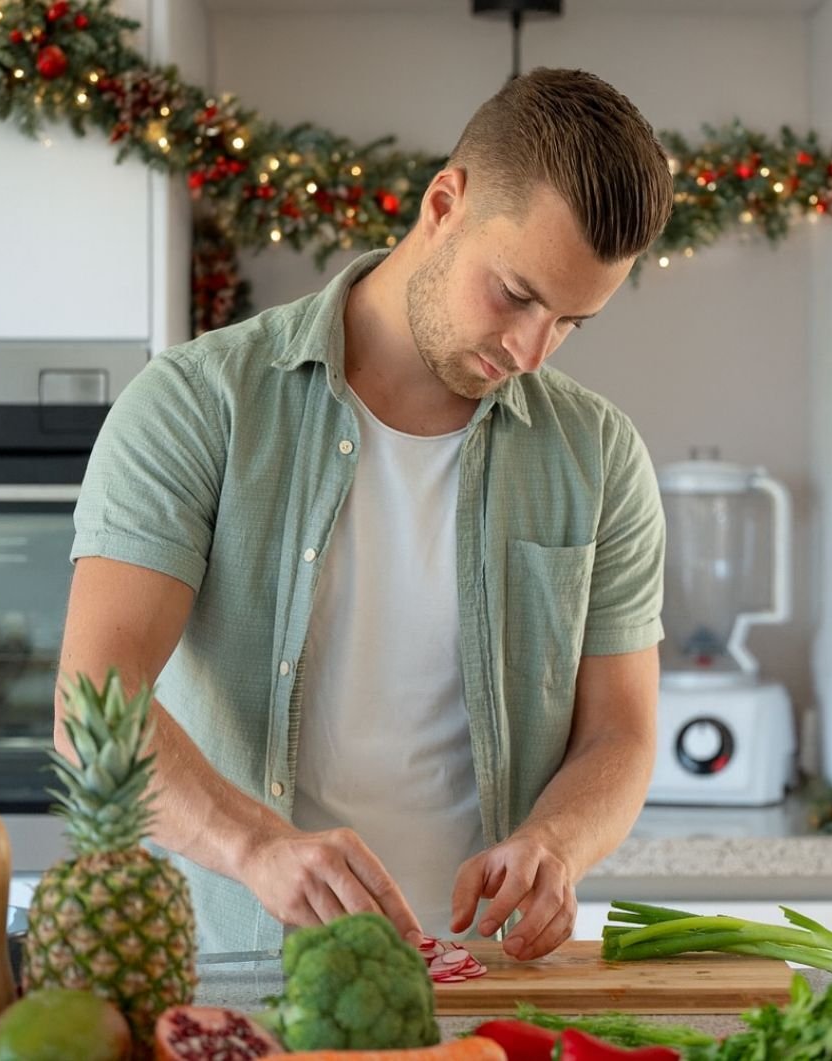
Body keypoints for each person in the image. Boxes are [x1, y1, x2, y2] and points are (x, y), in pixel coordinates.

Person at [57, 67, 674, 961]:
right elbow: (92, 709)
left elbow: (620, 730)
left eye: (573, 321)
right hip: (240, 977)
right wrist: (257, 848)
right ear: (444, 203)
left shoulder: (599, 453)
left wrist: (557, 842)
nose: (532, 351)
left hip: (489, 985)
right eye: (517, 294)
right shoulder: (198, 404)